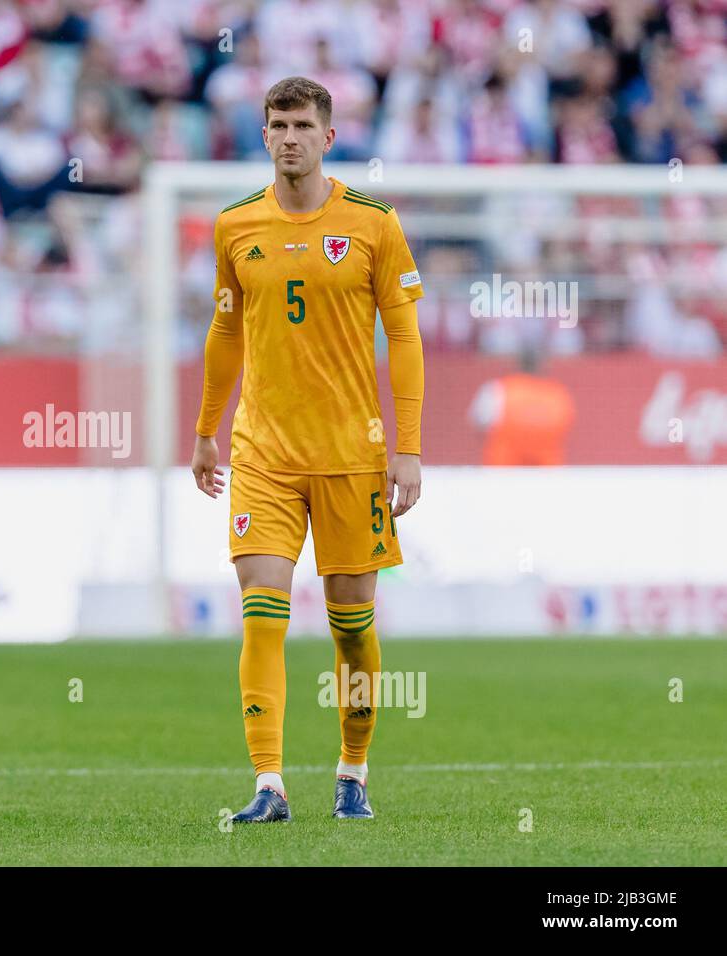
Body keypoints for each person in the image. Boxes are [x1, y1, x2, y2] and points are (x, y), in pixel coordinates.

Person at [191, 76, 425, 823]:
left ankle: (352, 771)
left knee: (352, 629)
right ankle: (269, 785)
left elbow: (406, 336)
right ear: (263, 135)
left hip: (354, 457)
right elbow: (226, 333)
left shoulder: (373, 223)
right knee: (262, 614)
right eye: (276, 125)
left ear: (329, 137)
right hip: (262, 455)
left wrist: (409, 448)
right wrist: (205, 432)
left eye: (301, 125)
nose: (288, 137)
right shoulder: (235, 227)